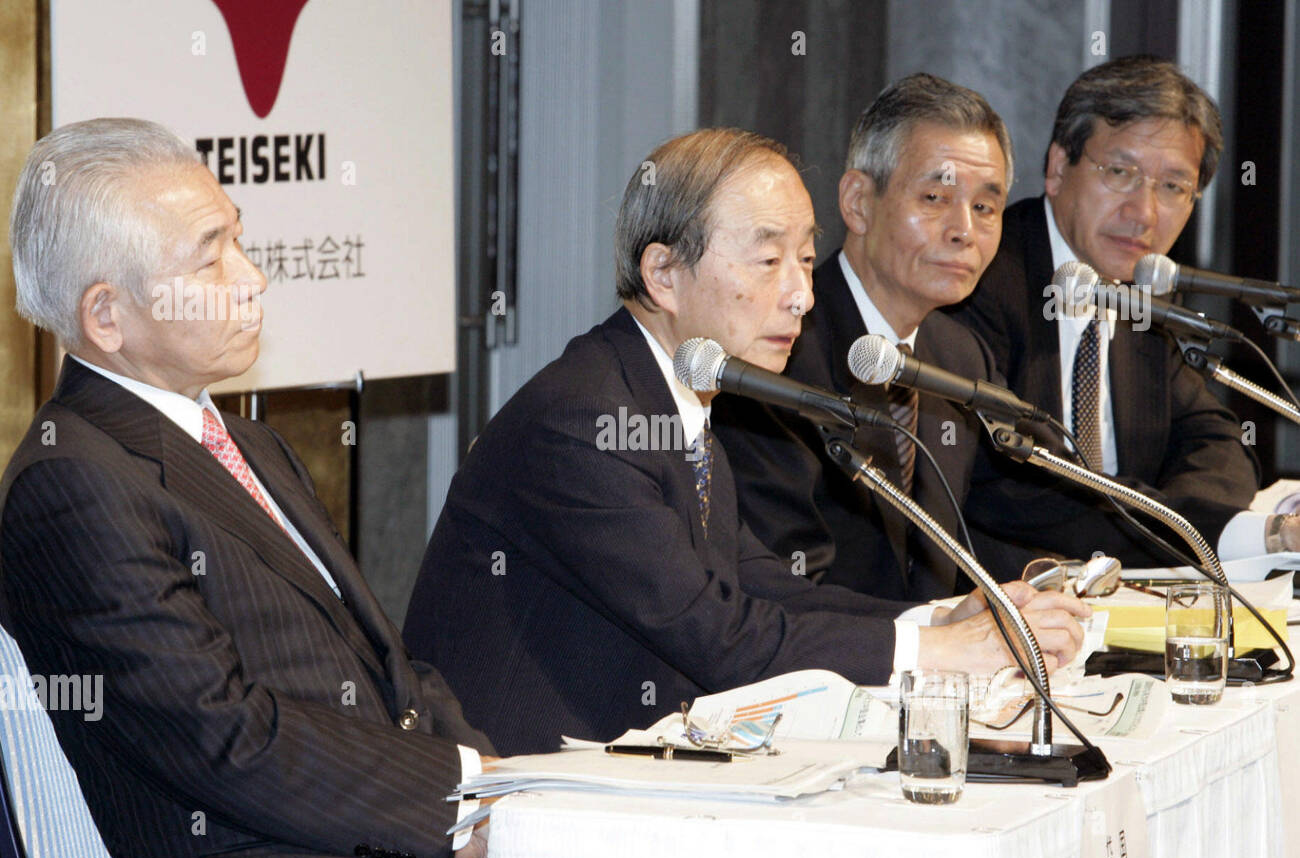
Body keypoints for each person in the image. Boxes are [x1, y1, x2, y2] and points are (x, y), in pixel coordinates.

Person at [402, 128, 1088, 757]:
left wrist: (940, 614)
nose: (801, 295)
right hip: (519, 794)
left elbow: (762, 585)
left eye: (806, 260)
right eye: (767, 260)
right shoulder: (585, 419)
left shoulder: (674, 395)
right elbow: (719, 636)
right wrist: (935, 649)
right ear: (664, 274)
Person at [0, 119, 492, 858]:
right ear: (106, 316)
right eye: (210, 258)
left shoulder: (246, 440)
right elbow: (222, 737)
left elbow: (385, 661)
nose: (253, 276)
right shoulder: (72, 482)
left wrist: (496, 778)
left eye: (240, 238)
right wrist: (452, 801)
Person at [948, 56, 1277, 573]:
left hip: (1129, 588)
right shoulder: (980, 280)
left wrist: (1170, 530)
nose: (1143, 213)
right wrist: (1188, 530)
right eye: (1121, 173)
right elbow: (1012, 488)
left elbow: (1218, 445)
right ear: (1057, 168)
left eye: (1173, 186)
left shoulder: (1148, 299)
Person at [713, 74, 1018, 601]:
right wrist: (936, 634)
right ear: (858, 202)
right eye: (935, 196)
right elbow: (784, 584)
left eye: (985, 208)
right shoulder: (776, 350)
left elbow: (999, 521)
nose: (964, 229)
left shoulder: (959, 355)